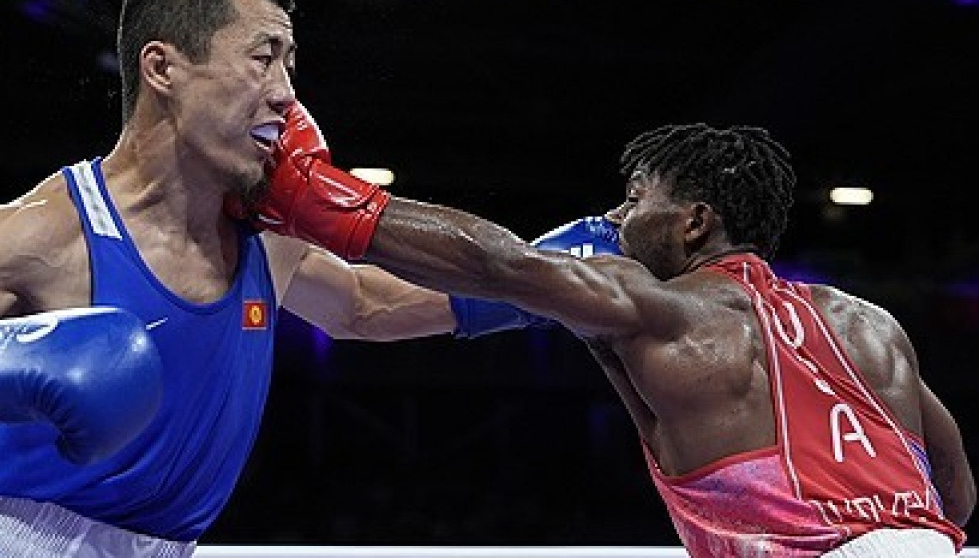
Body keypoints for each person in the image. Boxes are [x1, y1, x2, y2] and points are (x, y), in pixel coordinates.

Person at [0, 0, 612, 557]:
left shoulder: (266, 232)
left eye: (290, 61)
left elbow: (368, 306)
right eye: (264, 56)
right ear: (164, 67)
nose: (287, 92)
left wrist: (554, 285)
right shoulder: (45, 232)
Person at [244, 105, 976, 557]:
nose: (617, 220)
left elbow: (498, 265)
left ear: (694, 221)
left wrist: (302, 191)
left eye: (634, 199)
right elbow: (956, 488)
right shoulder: (870, 324)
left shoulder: (646, 299)